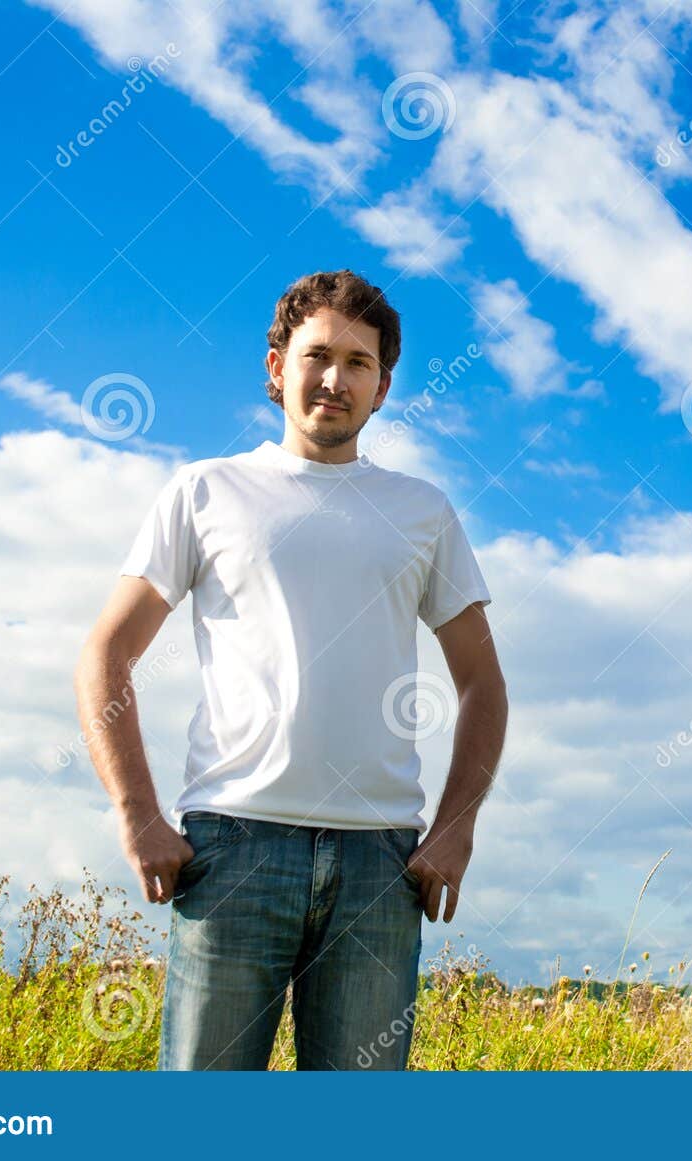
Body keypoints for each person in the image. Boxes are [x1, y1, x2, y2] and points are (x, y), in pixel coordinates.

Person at [73, 268, 508, 1070]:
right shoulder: (205, 491)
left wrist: (455, 827)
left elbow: (483, 681)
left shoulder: (423, 511)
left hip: (380, 865)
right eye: (316, 355)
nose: (335, 379)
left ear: (382, 388)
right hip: (231, 852)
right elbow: (107, 653)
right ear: (277, 367)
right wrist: (136, 813)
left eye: (359, 363)